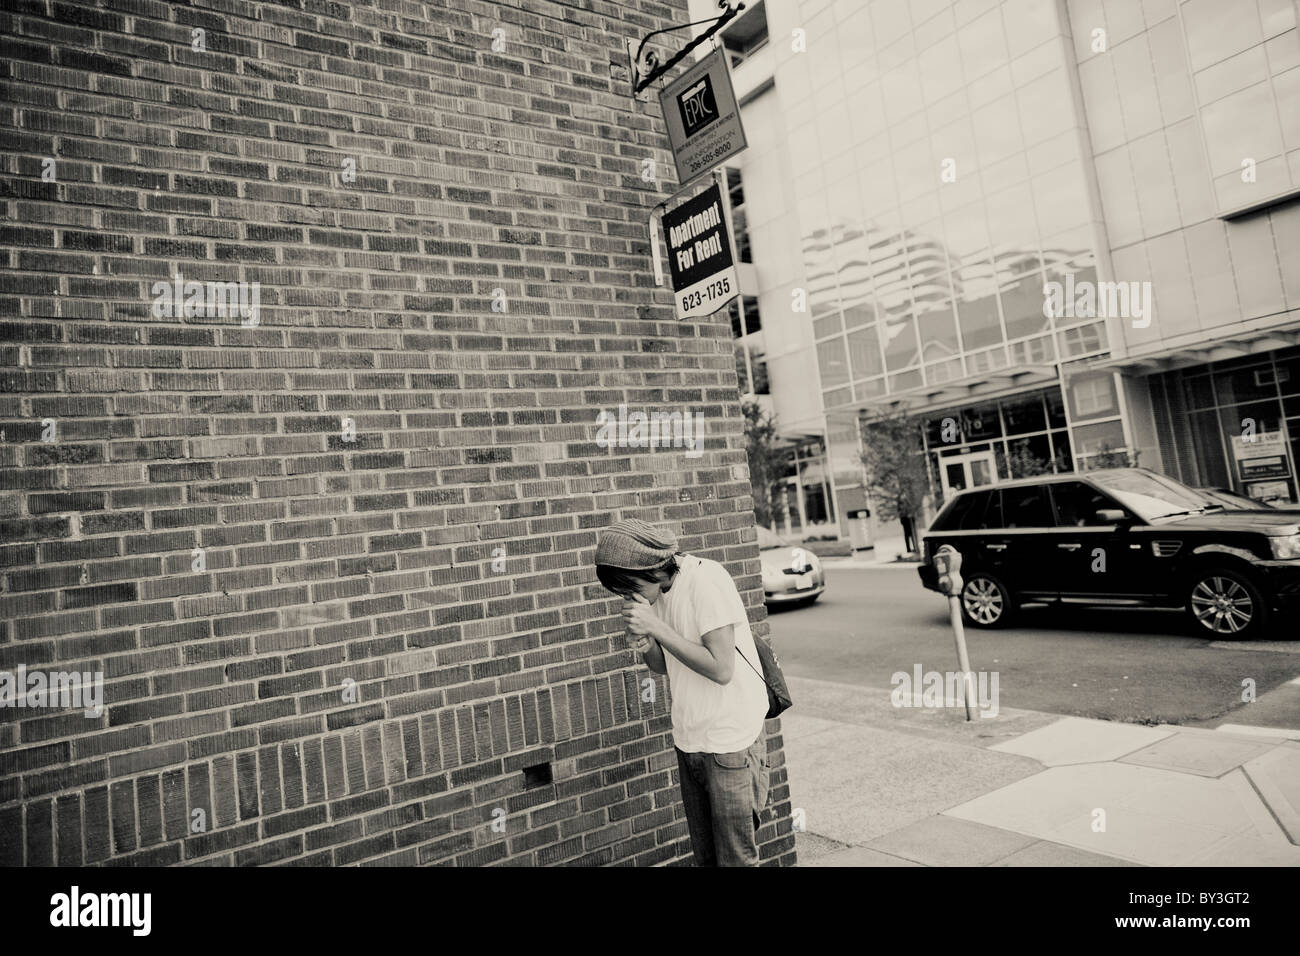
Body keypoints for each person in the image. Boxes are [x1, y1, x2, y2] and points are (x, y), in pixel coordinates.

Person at [593, 518, 770, 867]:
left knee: (735, 859)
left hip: (729, 742)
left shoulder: (706, 579)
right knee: (706, 859)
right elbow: (664, 666)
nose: (627, 598)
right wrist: (646, 644)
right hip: (690, 740)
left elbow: (721, 668)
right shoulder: (656, 594)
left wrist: (656, 626)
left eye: (628, 588)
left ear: (651, 569)